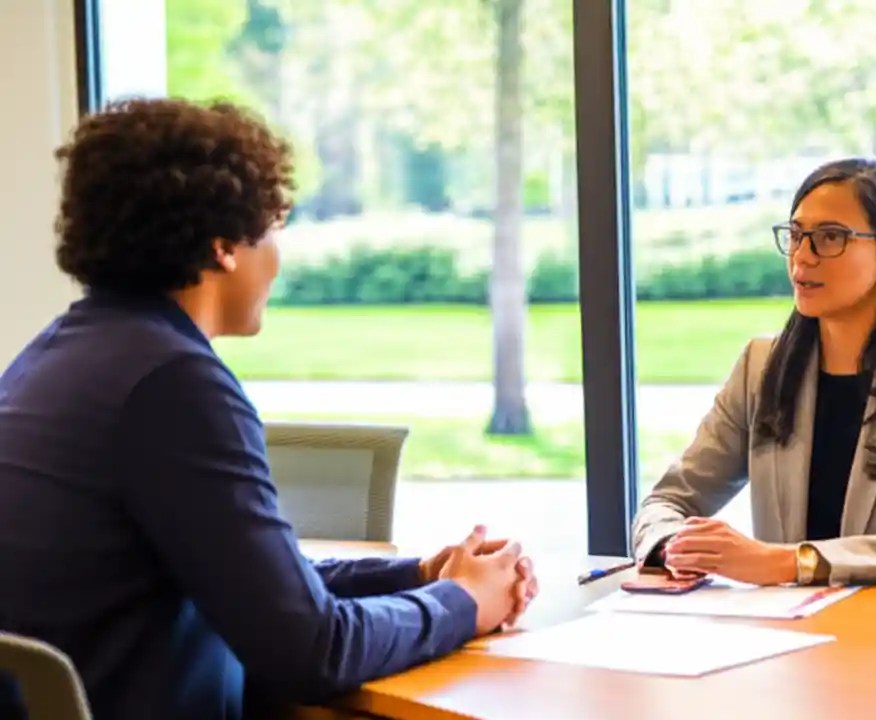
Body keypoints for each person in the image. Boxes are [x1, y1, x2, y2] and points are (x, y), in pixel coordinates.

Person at [0, 97, 536, 720]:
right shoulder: (174, 384)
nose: (279, 258)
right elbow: (311, 650)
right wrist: (464, 604)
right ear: (225, 246)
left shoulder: (53, 359)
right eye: (276, 226)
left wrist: (417, 575)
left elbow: (252, 585)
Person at [632, 157, 876, 588]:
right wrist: (674, 546)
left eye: (830, 238)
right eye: (796, 235)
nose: (802, 257)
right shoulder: (761, 365)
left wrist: (791, 562)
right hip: (789, 640)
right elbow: (667, 502)